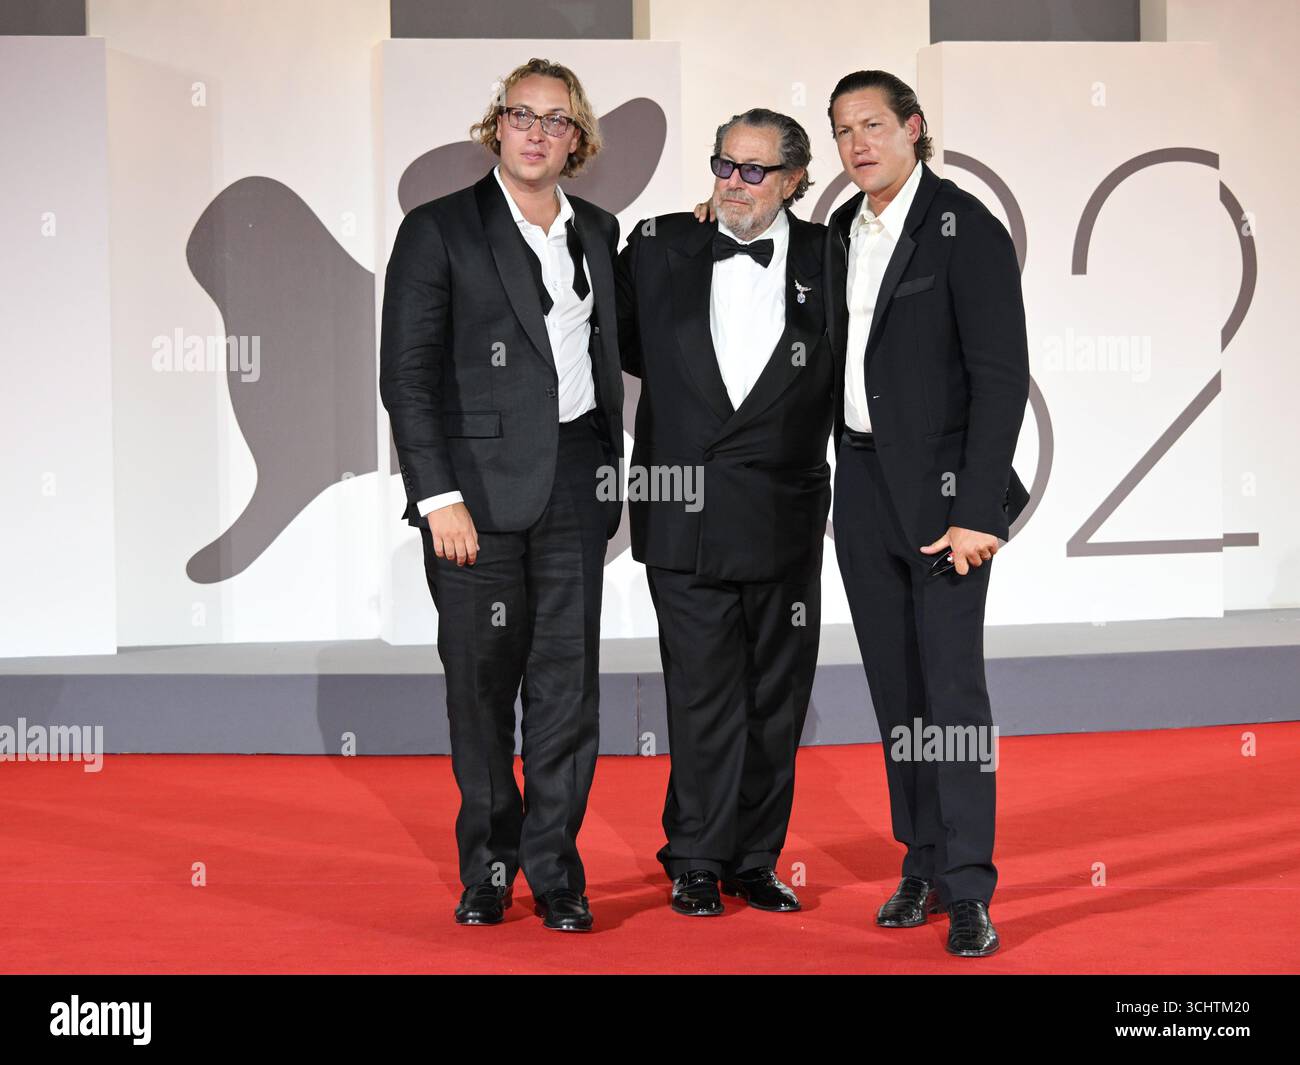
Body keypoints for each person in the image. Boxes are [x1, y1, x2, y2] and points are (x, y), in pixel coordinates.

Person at [379, 58, 624, 933]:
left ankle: (557, 869)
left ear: (576, 138)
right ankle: (489, 865)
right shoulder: (438, 229)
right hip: (473, 498)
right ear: (496, 127)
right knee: (480, 686)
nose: (536, 131)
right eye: (520, 114)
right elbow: (405, 377)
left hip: (572, 482)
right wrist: (435, 493)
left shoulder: (598, 227)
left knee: (567, 688)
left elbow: (615, 345)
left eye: (555, 120)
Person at [823, 70, 1030, 956]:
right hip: (860, 490)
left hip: (947, 502)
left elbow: (1001, 375)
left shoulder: (965, 228)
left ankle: (972, 885)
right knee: (897, 691)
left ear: (914, 128)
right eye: (841, 131)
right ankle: (923, 861)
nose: (858, 143)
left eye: (873, 124)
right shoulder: (837, 232)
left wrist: (981, 507)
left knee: (953, 694)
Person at [616, 109, 832, 917]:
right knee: (703, 692)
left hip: (785, 511)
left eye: (754, 170)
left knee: (776, 694)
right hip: (684, 510)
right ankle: (697, 857)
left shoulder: (830, 254)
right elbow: (620, 346)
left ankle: (756, 856)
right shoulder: (657, 245)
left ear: (793, 180)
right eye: (724, 165)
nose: (733, 183)